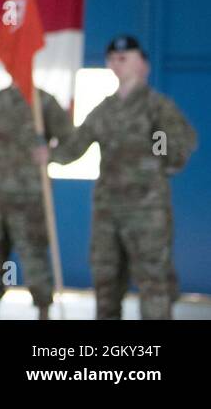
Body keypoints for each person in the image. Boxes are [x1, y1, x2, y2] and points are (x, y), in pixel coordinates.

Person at [45, 35, 197, 319]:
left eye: (124, 58)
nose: (117, 63)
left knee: (154, 284)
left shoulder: (157, 106)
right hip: (108, 212)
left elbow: (179, 146)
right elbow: (75, 147)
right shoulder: (104, 110)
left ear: (143, 64)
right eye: (112, 59)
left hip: (146, 212)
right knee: (106, 285)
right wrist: (48, 155)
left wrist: (159, 146)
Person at [0, 82, 72, 319]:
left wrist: (52, 155)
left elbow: (72, 141)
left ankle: (43, 310)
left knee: (34, 257)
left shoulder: (44, 102)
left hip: (30, 199)